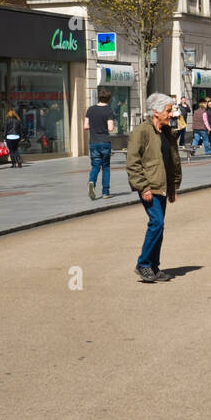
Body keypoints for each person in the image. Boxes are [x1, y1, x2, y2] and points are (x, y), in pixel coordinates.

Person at [126, 93, 182, 283]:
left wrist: (173, 188)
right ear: (156, 112)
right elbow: (132, 162)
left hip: (163, 186)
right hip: (150, 186)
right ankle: (143, 264)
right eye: (168, 110)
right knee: (156, 223)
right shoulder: (141, 131)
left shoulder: (167, 133)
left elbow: (171, 161)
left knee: (160, 227)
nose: (171, 114)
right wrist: (143, 187)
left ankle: (154, 267)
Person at [85, 90, 116, 200]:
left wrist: (94, 126)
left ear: (99, 98)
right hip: (104, 142)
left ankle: (91, 181)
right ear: (109, 99)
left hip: (93, 142)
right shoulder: (109, 110)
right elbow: (111, 128)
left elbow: (85, 126)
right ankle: (105, 192)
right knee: (106, 167)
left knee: (95, 165)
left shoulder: (90, 109)